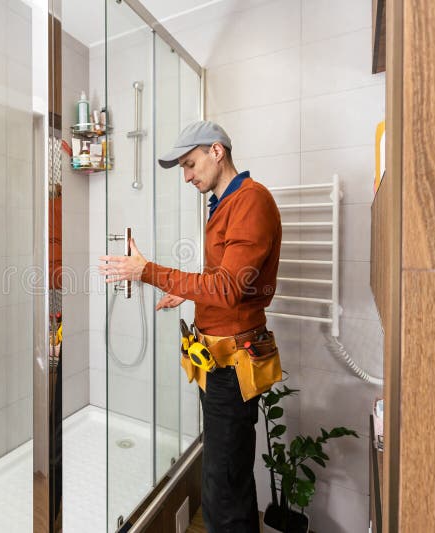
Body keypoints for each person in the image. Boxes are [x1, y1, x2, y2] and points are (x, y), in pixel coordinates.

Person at [99, 120, 282, 533]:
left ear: (217, 151)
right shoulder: (225, 204)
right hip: (220, 364)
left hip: (232, 368)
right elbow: (226, 279)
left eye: (190, 164)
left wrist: (147, 271)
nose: (186, 176)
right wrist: (191, 293)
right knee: (230, 476)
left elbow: (230, 287)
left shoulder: (250, 202)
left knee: (221, 488)